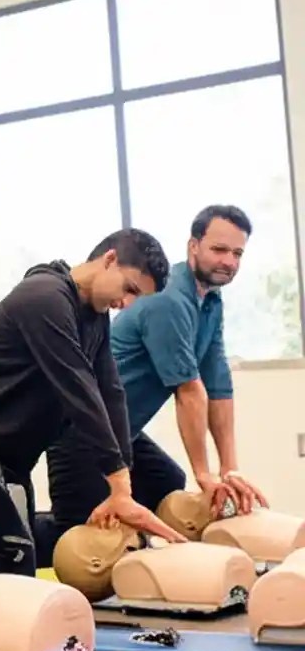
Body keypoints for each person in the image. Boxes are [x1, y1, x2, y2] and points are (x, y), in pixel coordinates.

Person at [0, 229, 186, 576]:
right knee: (14, 557)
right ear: (110, 259)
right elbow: (78, 389)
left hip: (11, 459)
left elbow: (111, 392)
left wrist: (124, 489)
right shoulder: (44, 297)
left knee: (19, 554)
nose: (127, 304)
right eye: (130, 289)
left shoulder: (94, 316)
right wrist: (117, 483)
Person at [48, 205, 270, 538]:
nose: (229, 261)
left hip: (123, 431)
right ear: (193, 246)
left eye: (237, 253)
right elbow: (189, 390)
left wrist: (229, 469)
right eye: (219, 249)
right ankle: (7, 541)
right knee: (79, 539)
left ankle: (138, 555)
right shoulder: (170, 300)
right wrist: (205, 475)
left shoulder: (209, 301)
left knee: (164, 480)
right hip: (82, 432)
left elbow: (218, 385)